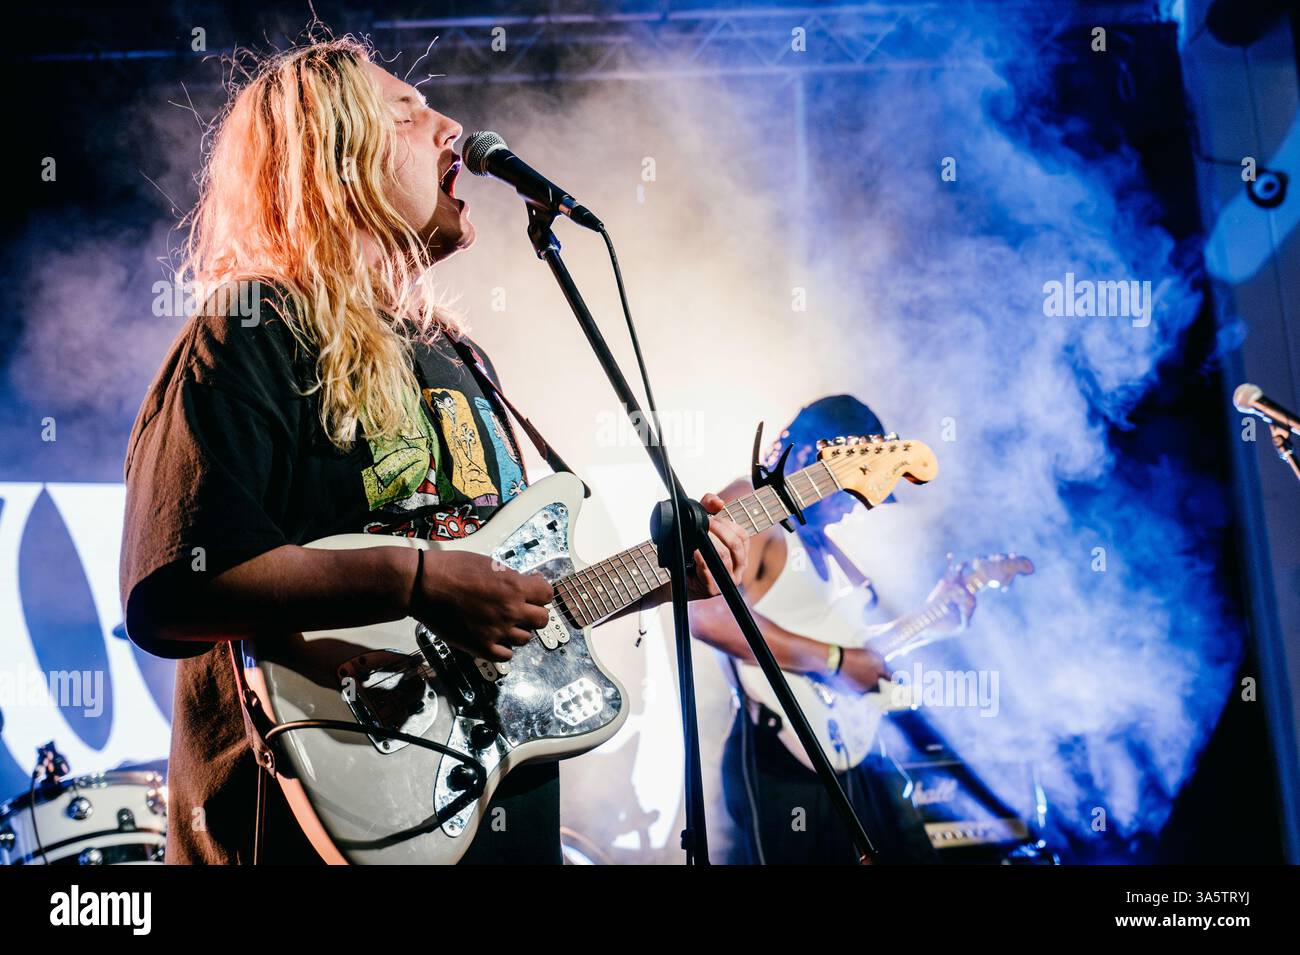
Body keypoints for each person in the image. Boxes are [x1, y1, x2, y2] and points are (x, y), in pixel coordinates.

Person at [119, 36, 747, 865]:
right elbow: (170, 587)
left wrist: (666, 583)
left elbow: (506, 600)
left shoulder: (458, 354)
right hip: (308, 827)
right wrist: (414, 579)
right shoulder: (252, 328)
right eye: (409, 113)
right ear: (335, 157)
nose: (452, 125)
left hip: (490, 818)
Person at [689, 395, 977, 864]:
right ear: (810, 459)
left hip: (850, 745)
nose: (858, 507)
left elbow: (855, 653)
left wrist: (931, 620)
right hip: (782, 760)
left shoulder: (817, 539)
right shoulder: (753, 503)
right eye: (853, 489)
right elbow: (709, 617)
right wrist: (838, 660)